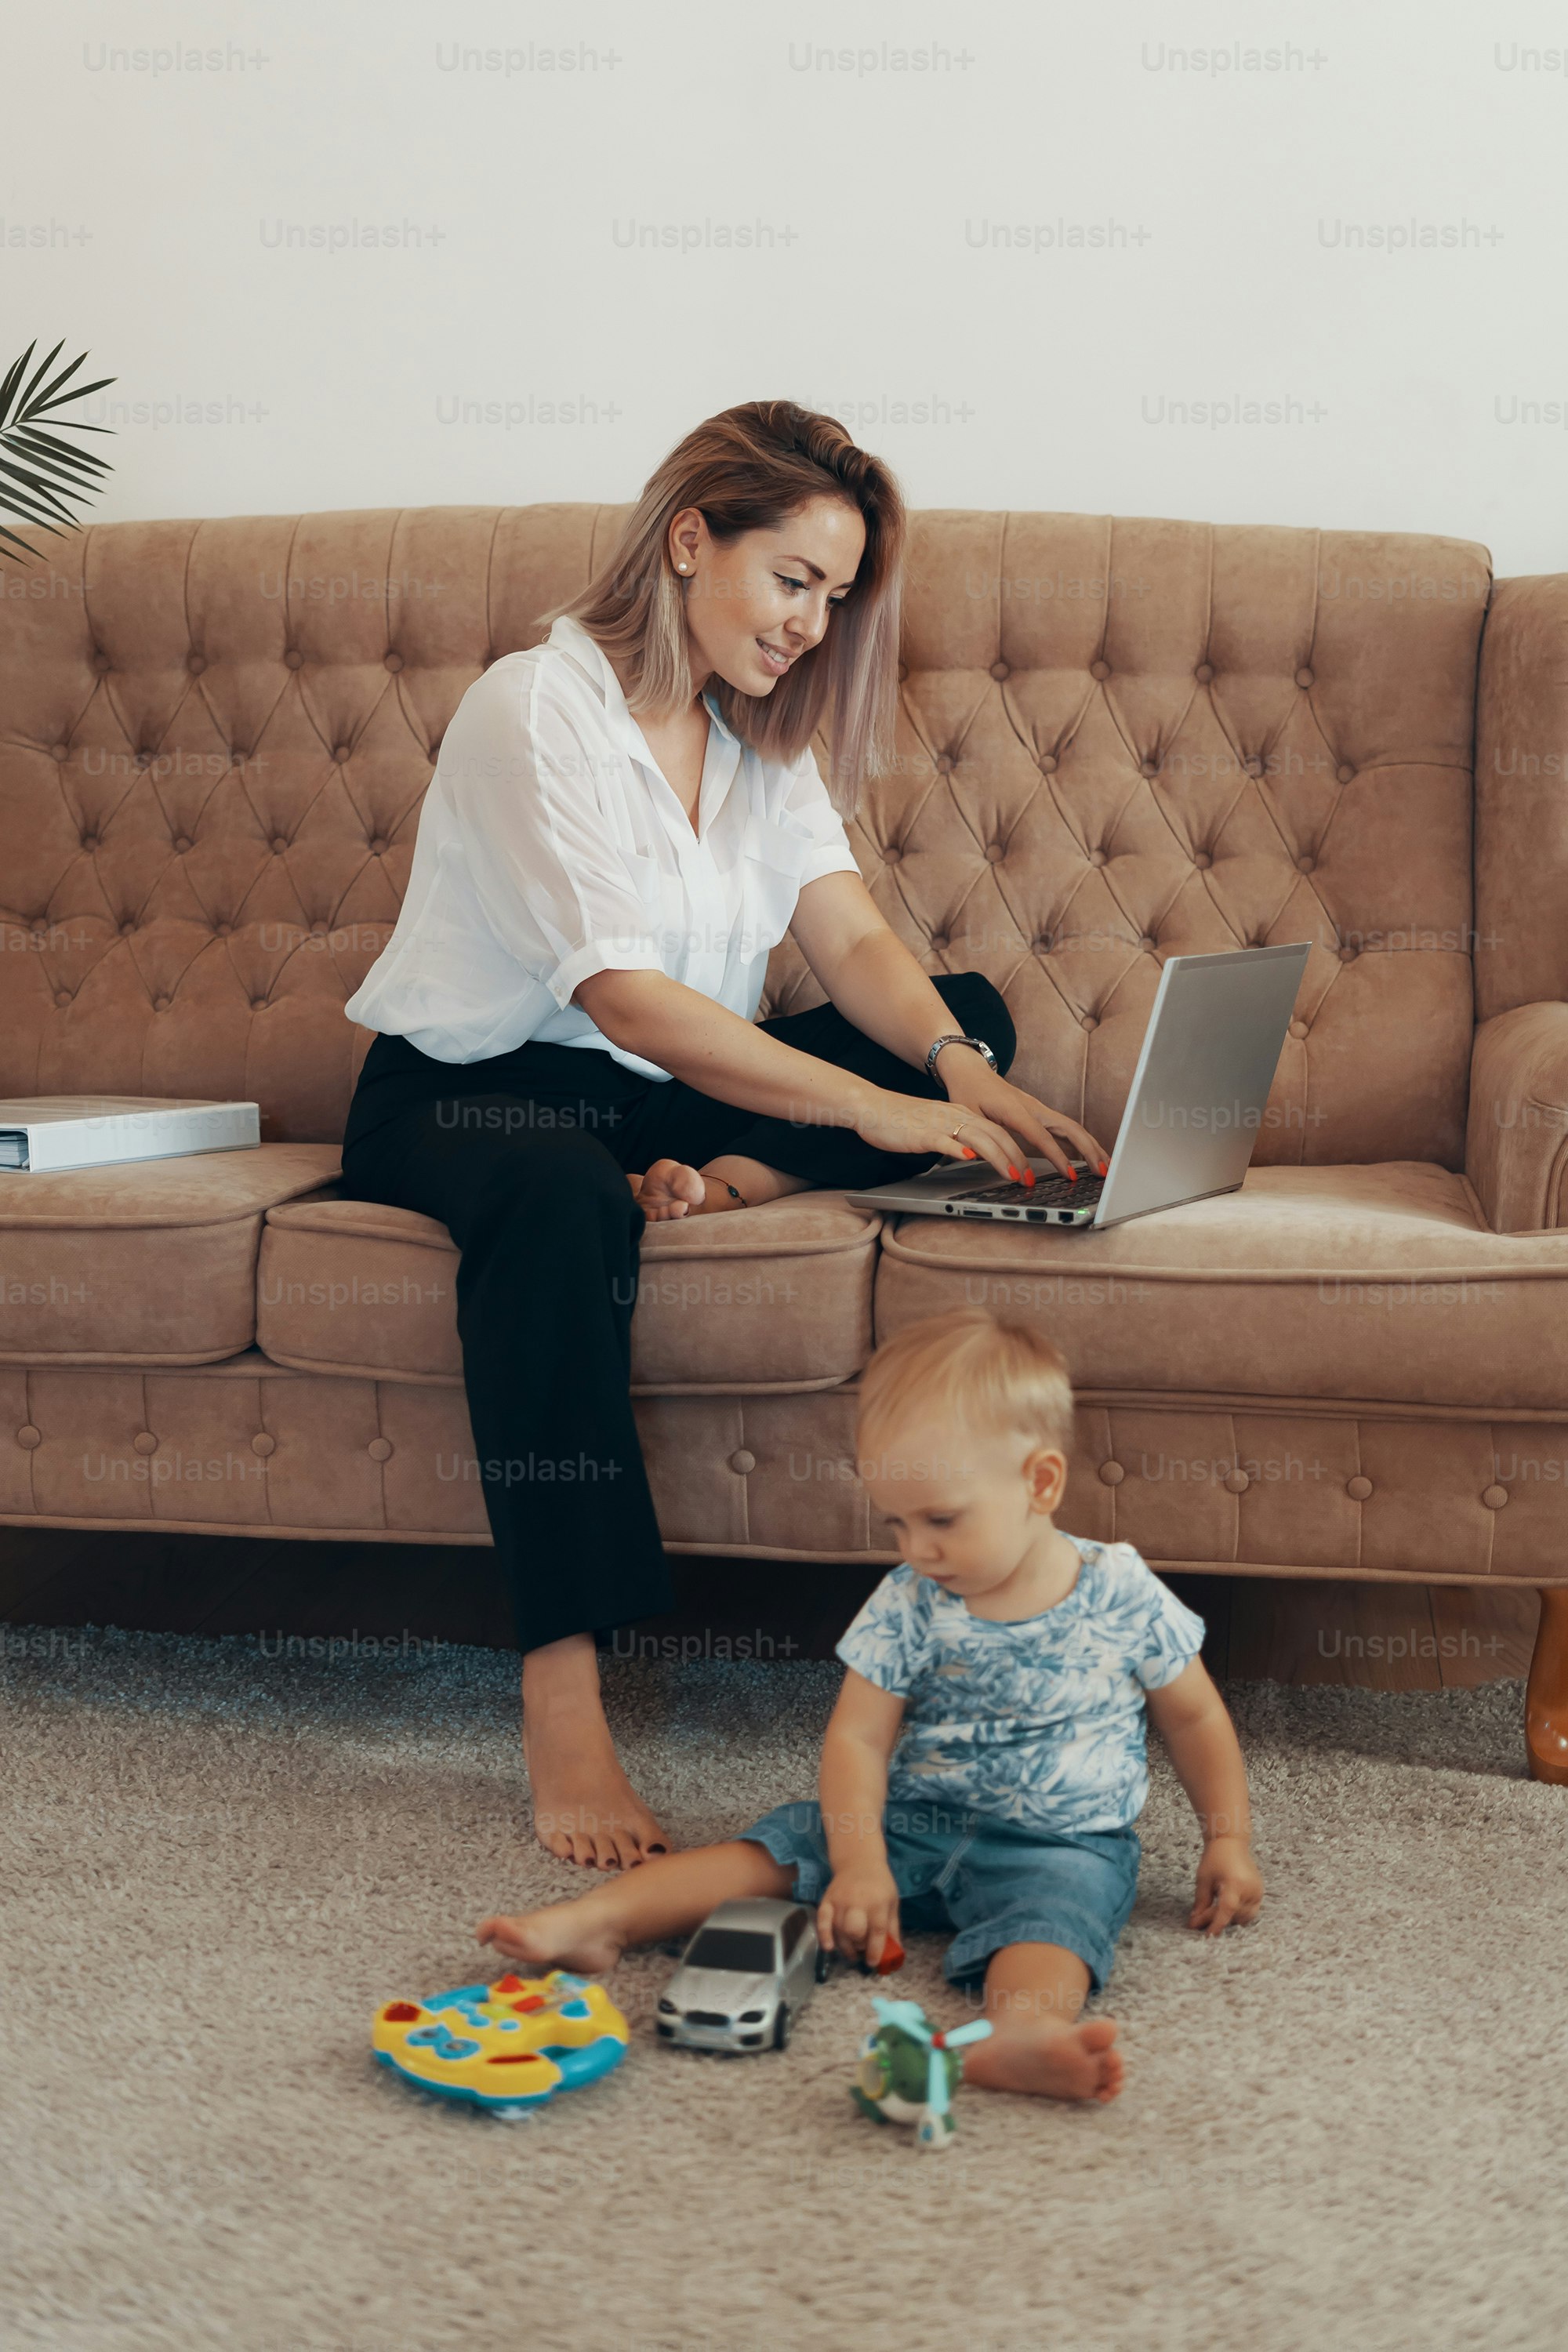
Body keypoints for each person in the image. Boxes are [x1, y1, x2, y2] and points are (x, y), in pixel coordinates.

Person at [339, 402, 1107, 1871]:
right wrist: (888, 1113)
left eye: (836, 597)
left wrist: (954, 1067)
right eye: (794, 582)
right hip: (480, 1089)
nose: (814, 626)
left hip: (664, 1092)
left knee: (970, 1006)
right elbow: (622, 996)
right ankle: (563, 1690)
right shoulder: (532, 709)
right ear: (691, 540)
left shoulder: (760, 744)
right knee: (569, 1200)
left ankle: (726, 1172)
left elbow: (855, 939)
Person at [476, 1306, 1264, 2103]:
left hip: (1059, 1843)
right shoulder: (909, 1598)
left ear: (1040, 1481)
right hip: (906, 1823)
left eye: (940, 1520)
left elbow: (1193, 1717)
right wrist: (858, 1864)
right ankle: (596, 1921)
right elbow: (855, 1740)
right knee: (773, 1850)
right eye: (896, 1523)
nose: (915, 1548)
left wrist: (1225, 1840)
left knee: (1055, 1925)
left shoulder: (1119, 1589)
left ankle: (1019, 2034)